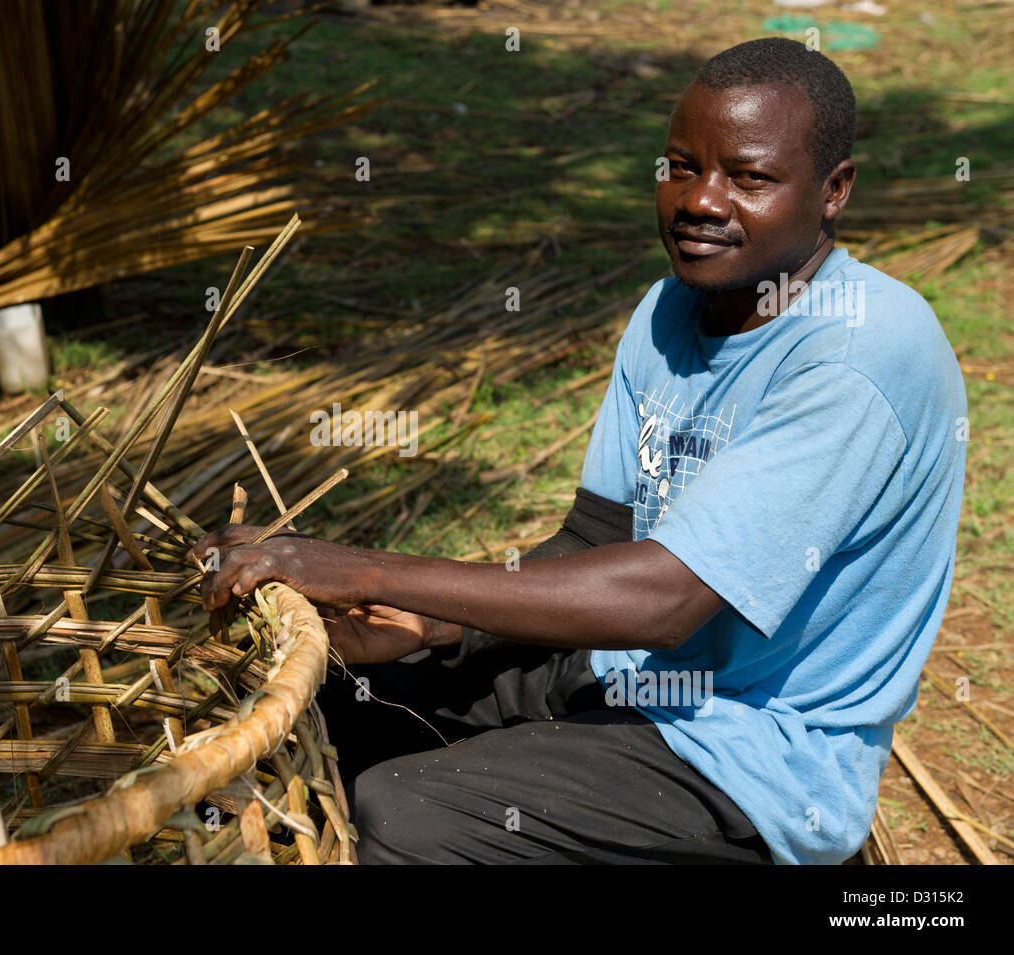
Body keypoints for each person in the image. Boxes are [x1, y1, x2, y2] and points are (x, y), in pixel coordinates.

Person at [191, 37, 967, 865]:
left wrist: (366, 570)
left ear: (833, 190)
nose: (700, 200)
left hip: (754, 753)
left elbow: (664, 600)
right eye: (679, 166)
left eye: (748, 177)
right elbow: (596, 543)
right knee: (327, 704)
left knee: (401, 816)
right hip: (621, 679)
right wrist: (424, 622)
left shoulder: (858, 351)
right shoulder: (673, 308)